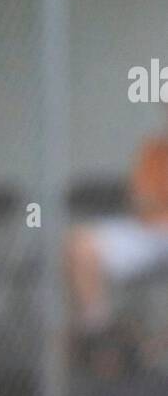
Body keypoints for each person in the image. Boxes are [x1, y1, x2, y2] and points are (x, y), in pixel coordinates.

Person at [66, 109, 168, 362]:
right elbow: (142, 201)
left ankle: (156, 344)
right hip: (153, 230)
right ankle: (100, 332)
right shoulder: (155, 149)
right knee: (80, 244)